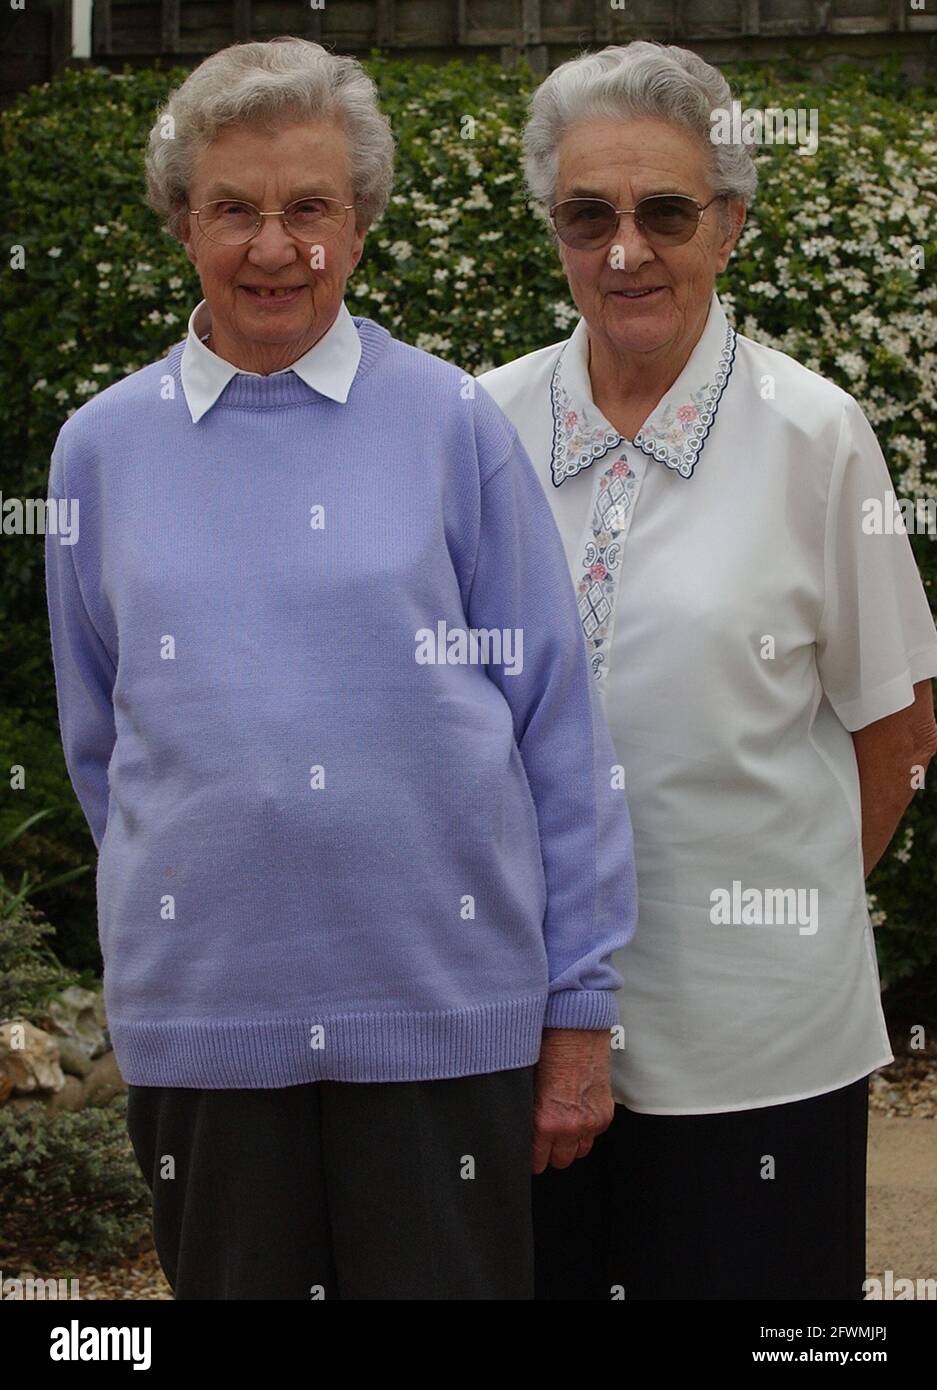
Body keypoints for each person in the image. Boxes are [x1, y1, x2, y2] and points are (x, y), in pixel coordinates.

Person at [44, 37, 638, 1300]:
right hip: (208, 1031)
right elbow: (104, 745)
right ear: (182, 225)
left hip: (439, 1020)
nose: (274, 245)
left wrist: (577, 1011)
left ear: (359, 224)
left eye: (309, 207)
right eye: (234, 209)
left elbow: (557, 729)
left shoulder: (454, 429)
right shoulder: (99, 451)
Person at [479, 40, 937, 1300]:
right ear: (554, 230)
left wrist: (779, 919)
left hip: (762, 1051)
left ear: (727, 224)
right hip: (521, 1037)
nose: (624, 250)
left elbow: (895, 729)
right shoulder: (479, 427)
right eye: (587, 216)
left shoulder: (814, 435)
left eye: (665, 211)